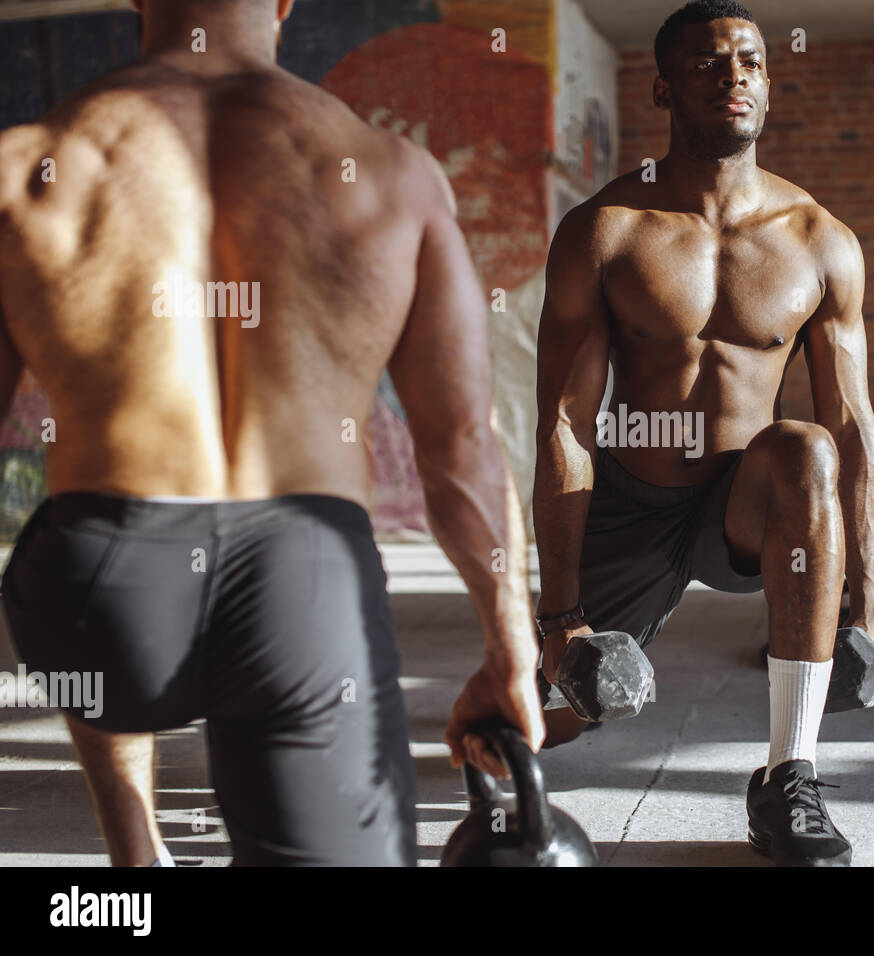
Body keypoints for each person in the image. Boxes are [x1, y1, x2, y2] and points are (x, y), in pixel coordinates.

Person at [0, 0, 543, 866]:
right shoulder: (393, 171)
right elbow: (461, 446)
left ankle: (136, 852)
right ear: (285, 3)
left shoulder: (28, 164)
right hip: (301, 583)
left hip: (100, 588)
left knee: (71, 539)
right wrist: (511, 649)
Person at [533, 0, 874, 867]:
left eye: (752, 61)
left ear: (769, 79)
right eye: (708, 63)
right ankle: (505, 708)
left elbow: (851, 425)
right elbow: (567, 424)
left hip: (744, 502)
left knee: (806, 447)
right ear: (663, 86)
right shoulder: (606, 231)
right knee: (540, 726)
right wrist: (561, 619)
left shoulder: (819, 241)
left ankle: (789, 777)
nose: (735, 77)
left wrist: (868, 609)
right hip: (631, 500)